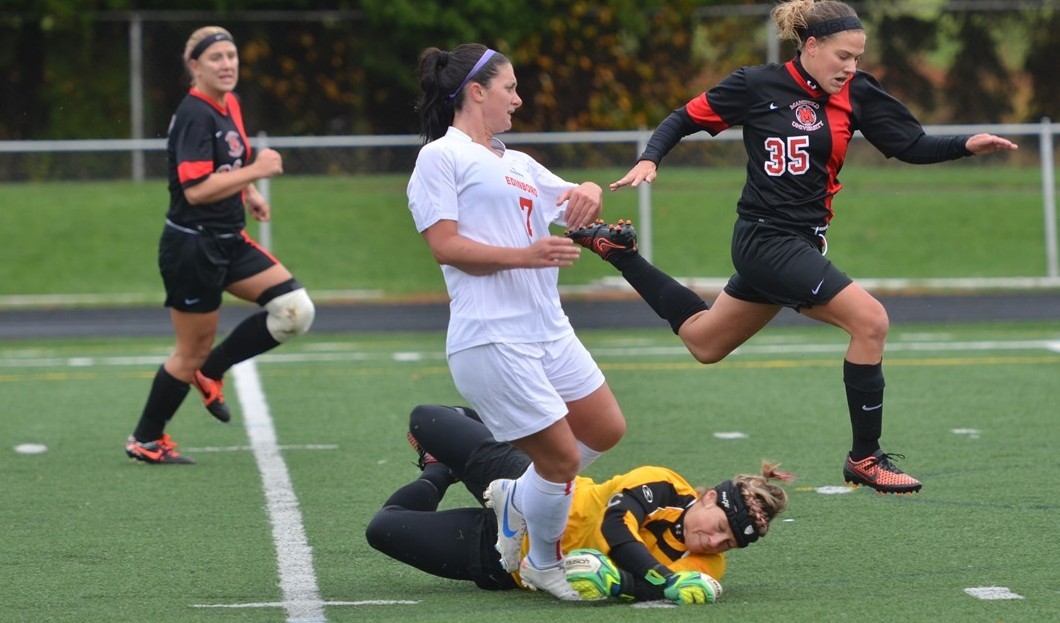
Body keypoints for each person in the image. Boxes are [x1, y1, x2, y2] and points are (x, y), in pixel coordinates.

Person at [565, 0, 1018, 494]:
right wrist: (651, 158)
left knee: (705, 342)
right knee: (871, 322)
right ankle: (864, 458)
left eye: (858, 58)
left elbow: (911, 145)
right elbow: (682, 119)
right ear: (811, 46)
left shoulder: (858, 93)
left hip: (801, 245)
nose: (851, 67)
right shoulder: (756, 85)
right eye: (842, 56)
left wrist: (965, 144)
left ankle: (620, 254)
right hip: (764, 239)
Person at [407, 43, 627, 598]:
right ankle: (542, 564)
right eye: (510, 88)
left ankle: (516, 498)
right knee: (557, 459)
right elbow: (446, 246)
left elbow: (578, 201)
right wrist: (526, 255)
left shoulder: (518, 162)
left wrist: (590, 191)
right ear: (476, 92)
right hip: (493, 335)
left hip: (548, 328)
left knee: (604, 428)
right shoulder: (441, 157)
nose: (519, 99)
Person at [366, 404, 791, 603]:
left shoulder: (706, 567)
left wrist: (616, 585)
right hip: (528, 487)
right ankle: (477, 442)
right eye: (720, 526)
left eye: (728, 544)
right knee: (427, 417)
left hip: (510, 561)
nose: (716, 542)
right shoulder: (663, 483)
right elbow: (616, 528)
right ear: (709, 496)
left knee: (384, 529)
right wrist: (664, 580)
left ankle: (437, 471)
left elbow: (641, 589)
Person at [125, 26, 315, 465]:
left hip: (230, 239)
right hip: (193, 247)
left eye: (232, 55)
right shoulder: (195, 114)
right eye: (216, 58)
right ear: (194, 66)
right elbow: (194, 189)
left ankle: (212, 370)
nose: (227, 64)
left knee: (295, 311)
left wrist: (248, 193)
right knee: (187, 351)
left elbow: (231, 161)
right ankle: (145, 439)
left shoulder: (229, 102)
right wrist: (257, 173)